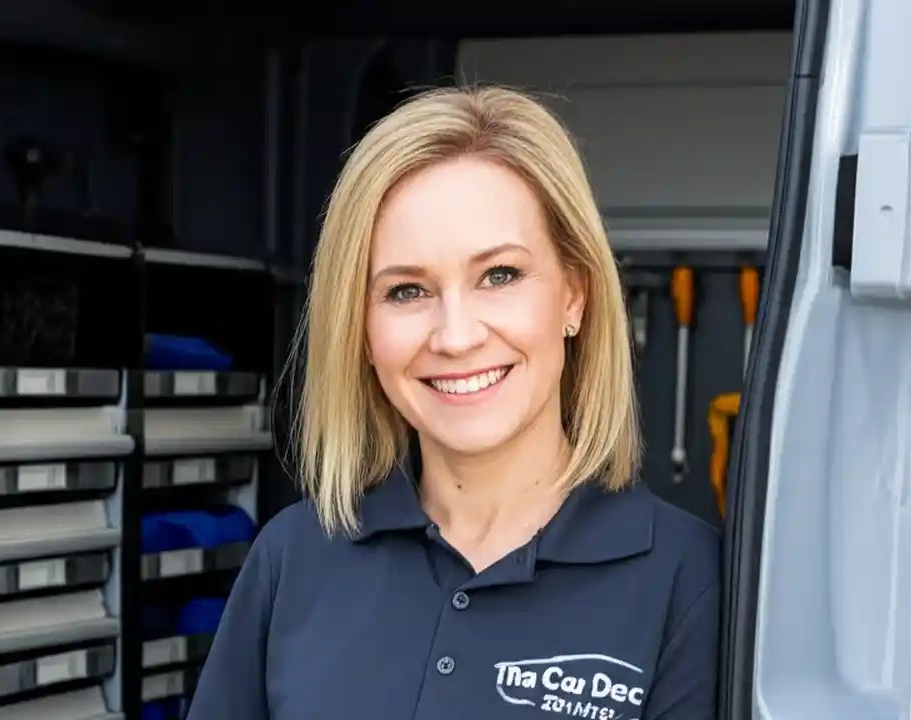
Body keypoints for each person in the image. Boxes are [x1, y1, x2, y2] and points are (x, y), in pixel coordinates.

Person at [186, 85, 720, 720]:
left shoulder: (691, 580)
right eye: (407, 291)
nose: (456, 337)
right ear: (361, 330)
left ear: (573, 296)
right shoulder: (293, 557)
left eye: (500, 276)